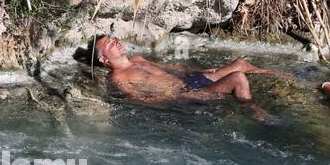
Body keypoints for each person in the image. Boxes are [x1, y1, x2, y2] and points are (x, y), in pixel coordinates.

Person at [87, 36, 283, 121]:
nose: (117, 41)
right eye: (111, 44)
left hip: (189, 81)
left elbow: (171, 68)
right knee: (238, 77)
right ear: (103, 59)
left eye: (114, 39)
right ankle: (256, 113)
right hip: (186, 96)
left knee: (239, 63)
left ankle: (285, 76)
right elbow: (136, 100)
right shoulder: (117, 77)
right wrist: (169, 97)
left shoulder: (138, 59)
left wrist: (202, 71)